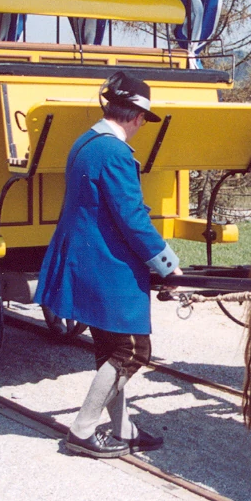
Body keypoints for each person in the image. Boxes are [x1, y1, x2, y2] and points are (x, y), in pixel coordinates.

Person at [35, 71, 182, 458]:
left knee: (109, 348)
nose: (140, 129)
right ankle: (82, 429)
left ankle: (122, 428)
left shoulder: (85, 142)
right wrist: (168, 265)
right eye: (141, 122)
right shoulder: (115, 152)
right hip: (107, 264)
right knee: (132, 351)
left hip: (87, 258)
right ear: (134, 116)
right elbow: (132, 217)